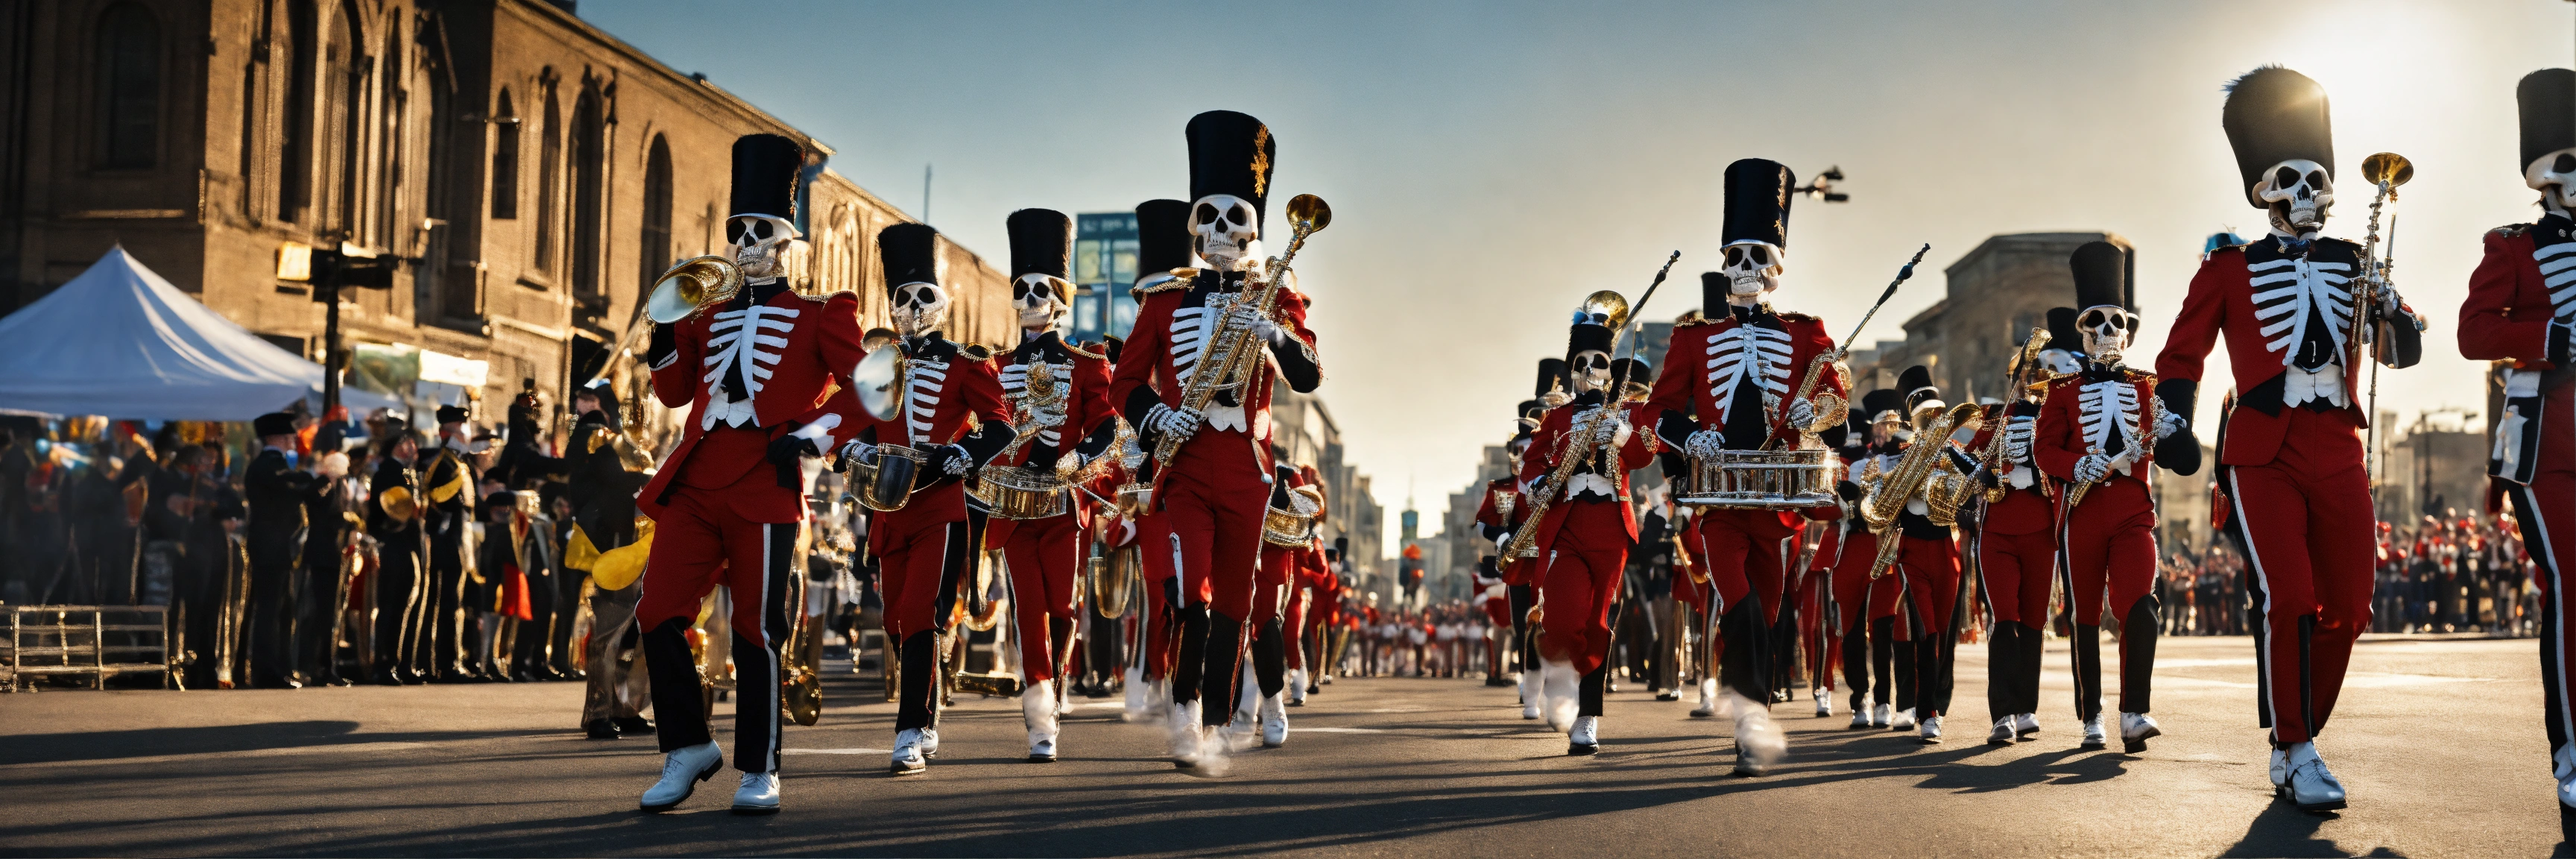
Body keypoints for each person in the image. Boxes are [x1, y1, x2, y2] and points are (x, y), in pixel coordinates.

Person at [2156, 66, 2425, 814]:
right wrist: (2173, 422)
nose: (2308, 194)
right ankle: (2300, 747)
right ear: (2264, 192)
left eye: (2318, 180)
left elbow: (2404, 354)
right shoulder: (2230, 266)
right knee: (2292, 598)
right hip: (2261, 450)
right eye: (2290, 181)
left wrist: (2394, 311)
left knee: (2351, 606)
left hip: (2338, 442)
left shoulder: (2355, 261)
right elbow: (2183, 354)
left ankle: (2294, 730)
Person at [631, 134, 875, 814]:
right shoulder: (704, 312)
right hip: (697, 477)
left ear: (787, 241)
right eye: (736, 230)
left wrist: (810, 433)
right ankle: (686, 747)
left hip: (765, 486)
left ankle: (759, 767)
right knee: (658, 613)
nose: (744, 242)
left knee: (758, 631)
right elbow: (676, 393)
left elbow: (867, 390)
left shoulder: (825, 312)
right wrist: (660, 333)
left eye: (759, 231)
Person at [1109, 111, 1322, 770]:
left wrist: (1275, 335)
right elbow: (1124, 383)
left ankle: (1223, 718)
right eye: (1211, 218)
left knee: (1235, 599)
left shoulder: (1276, 295)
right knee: (1191, 594)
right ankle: (1187, 707)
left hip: (1246, 464)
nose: (1222, 234)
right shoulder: (1165, 301)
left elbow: (1310, 375)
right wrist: (1153, 417)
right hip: (1186, 460)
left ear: (1255, 231)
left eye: (1236, 221)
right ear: (1195, 227)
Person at [1645, 159, 1843, 774]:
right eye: (1735, 257)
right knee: (1739, 607)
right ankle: (1751, 728)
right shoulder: (1693, 337)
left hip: (1778, 503)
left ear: (1777, 269)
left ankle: (1751, 718)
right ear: (1724, 263)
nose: (1745, 271)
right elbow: (1656, 411)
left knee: (1770, 612)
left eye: (1757, 257)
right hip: (1722, 501)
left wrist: (1817, 409)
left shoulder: (1806, 332)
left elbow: (1838, 399)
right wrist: (1688, 439)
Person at [2459, 66, 2576, 830]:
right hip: (2548, 436)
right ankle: (2572, 754)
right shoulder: (2516, 246)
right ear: (2544, 174)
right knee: (2572, 588)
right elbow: (2475, 333)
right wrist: (2552, 336)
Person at [859, 220, 1014, 777]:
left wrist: (966, 454)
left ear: (942, 302)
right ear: (893, 306)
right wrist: (850, 453)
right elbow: (855, 428)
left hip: (939, 502)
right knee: (896, 619)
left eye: (926, 295)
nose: (916, 305)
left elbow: (1000, 425)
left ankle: (910, 731)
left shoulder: (967, 362)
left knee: (922, 613)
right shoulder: (877, 364)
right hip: (887, 504)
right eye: (905, 297)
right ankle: (926, 702)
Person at [982, 208, 1118, 763]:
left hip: (1062, 505)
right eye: (1023, 288)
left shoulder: (1087, 364)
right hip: (1013, 507)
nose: (1033, 297)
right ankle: (1039, 715)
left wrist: (1076, 459)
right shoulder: (992, 365)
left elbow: (1107, 424)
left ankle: (1056, 689)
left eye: (1043, 288)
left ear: (1060, 298)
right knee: (1027, 610)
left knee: (1062, 607)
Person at [2035, 242, 2176, 754]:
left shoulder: (2146, 387)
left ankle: (2134, 710)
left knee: (2140, 602)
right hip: (2082, 511)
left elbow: (2165, 443)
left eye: (2120, 323)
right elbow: (2044, 448)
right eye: (2099, 322)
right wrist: (2076, 465)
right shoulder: (2061, 390)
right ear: (2083, 330)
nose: (2111, 333)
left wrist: (2171, 429)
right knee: (2086, 616)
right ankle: (2091, 713)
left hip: (2133, 510)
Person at [1516, 297, 1659, 755]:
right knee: (1561, 616)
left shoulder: (1625, 414)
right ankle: (1562, 674)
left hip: (1610, 528)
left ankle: (1588, 717)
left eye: (1601, 362)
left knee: (1598, 621)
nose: (1593, 369)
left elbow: (1642, 454)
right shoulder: (1556, 417)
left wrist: (1618, 434)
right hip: (1567, 523)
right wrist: (1540, 483)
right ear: (1574, 369)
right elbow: (1531, 465)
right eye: (1584, 362)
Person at [1966, 309, 2079, 745]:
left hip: (2041, 532)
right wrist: (1981, 472)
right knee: (2005, 620)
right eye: (2032, 371)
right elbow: (1965, 462)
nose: (2038, 380)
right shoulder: (1994, 416)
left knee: (2034, 622)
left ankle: (2027, 707)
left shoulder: (2060, 418)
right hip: (1997, 532)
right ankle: (2002, 714)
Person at [243, 412, 326, 688]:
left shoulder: (275, 465)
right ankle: (267, 671)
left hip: (279, 547)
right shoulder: (267, 464)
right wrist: (317, 480)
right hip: (270, 546)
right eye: (289, 433)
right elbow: (292, 485)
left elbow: (300, 487)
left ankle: (281, 668)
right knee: (270, 609)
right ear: (275, 437)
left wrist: (320, 483)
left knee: (283, 608)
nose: (294, 438)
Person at [366, 422, 429, 686]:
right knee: (392, 605)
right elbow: (384, 511)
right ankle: (385, 663)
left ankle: (402, 662)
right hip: (394, 542)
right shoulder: (388, 472)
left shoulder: (406, 472)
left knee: (405, 604)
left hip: (407, 542)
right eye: (407, 443)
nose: (412, 448)